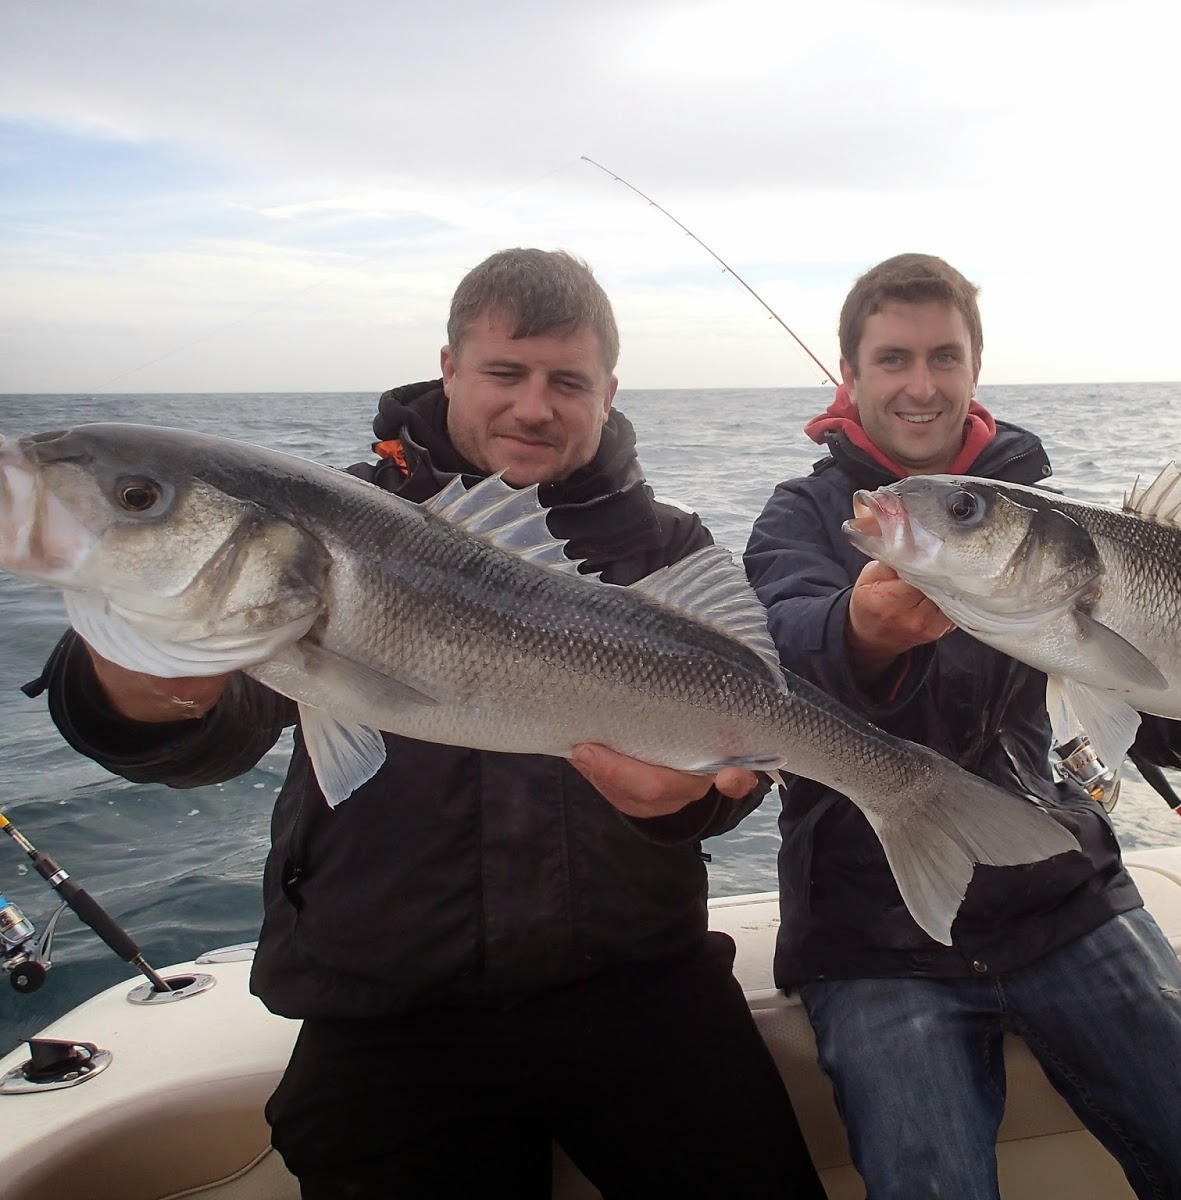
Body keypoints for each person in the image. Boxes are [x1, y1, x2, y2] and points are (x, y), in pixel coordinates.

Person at [25, 248, 826, 1200]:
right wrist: (151, 683)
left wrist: (687, 804)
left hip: (644, 985)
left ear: (609, 392)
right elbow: (218, 733)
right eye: (504, 372)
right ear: (449, 368)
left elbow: (732, 770)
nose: (534, 406)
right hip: (387, 1012)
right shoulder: (322, 525)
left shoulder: (667, 544)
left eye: (568, 382)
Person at [743, 251, 1181, 1200]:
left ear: (974, 369)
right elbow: (762, 665)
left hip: (1065, 897)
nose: (920, 384)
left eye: (944, 357)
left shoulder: (1049, 520)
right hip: (872, 931)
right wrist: (857, 632)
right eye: (893, 358)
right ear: (850, 376)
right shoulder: (808, 517)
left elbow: (1142, 709)